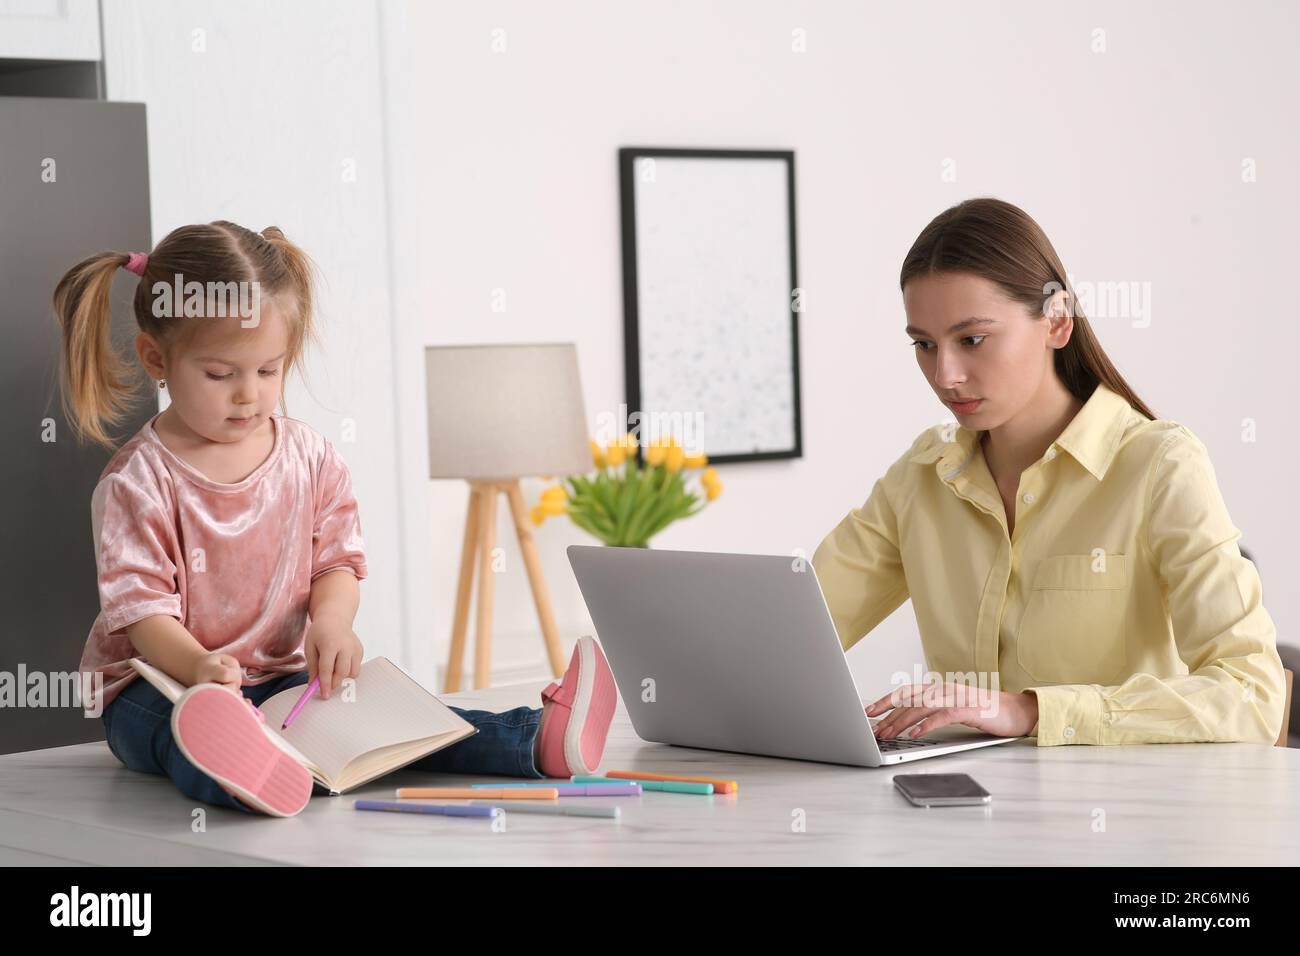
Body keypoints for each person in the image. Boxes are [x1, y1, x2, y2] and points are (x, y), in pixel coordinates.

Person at [56, 220, 616, 816]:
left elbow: (338, 560)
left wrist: (331, 622)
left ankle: (536, 738)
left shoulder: (310, 456)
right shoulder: (139, 480)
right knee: (181, 732)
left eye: (268, 371)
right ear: (155, 358)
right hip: (159, 683)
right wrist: (198, 667)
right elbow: (142, 613)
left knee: (387, 728)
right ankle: (244, 772)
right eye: (221, 375)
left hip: (278, 682)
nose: (249, 394)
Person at [813, 198, 1285, 746]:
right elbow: (798, 632)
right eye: (924, 344)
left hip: (1131, 818)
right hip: (966, 815)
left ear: (1057, 320)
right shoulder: (922, 475)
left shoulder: (1160, 465)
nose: (945, 375)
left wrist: (1031, 711)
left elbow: (1253, 696)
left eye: (971, 339)